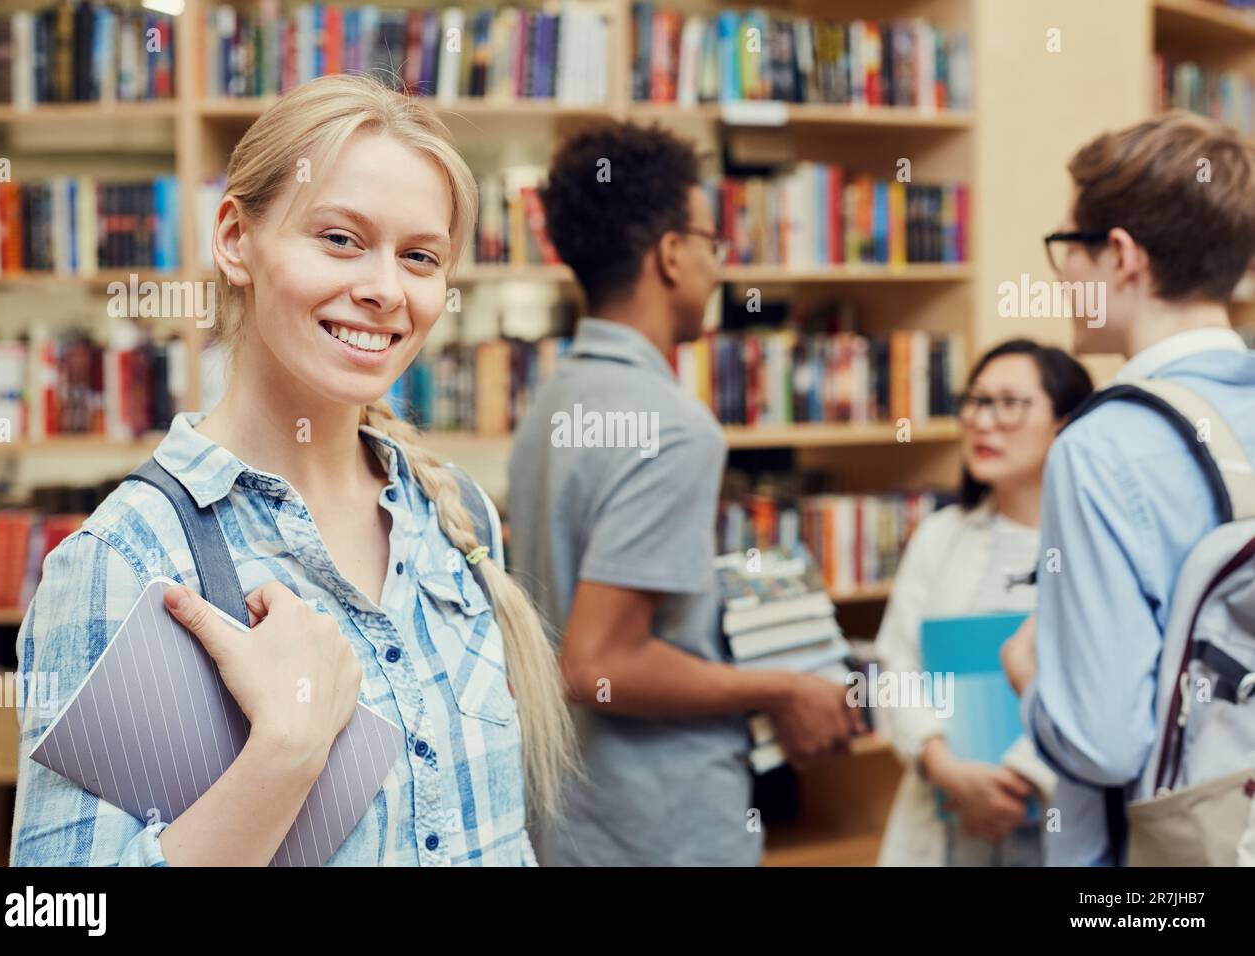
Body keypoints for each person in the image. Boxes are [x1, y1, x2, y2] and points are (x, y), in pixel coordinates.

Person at [10, 74, 573, 867]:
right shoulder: (127, 561)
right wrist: (283, 756)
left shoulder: (460, 516)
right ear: (235, 239)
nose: (385, 290)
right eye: (340, 239)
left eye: (419, 256)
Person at [506, 121, 864, 867]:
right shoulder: (673, 426)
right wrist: (783, 689)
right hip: (661, 827)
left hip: (568, 814)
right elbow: (596, 664)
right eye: (712, 241)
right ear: (671, 254)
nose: (719, 263)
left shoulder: (551, 402)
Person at [1001, 111, 1255, 866]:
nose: (1061, 278)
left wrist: (1030, 680)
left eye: (1066, 249)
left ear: (1119, 256)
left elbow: (1103, 742)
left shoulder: (1101, 445)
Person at [874, 339, 1092, 866]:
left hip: (1054, 817)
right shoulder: (939, 535)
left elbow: (1101, 682)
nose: (981, 421)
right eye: (974, 401)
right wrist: (943, 766)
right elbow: (895, 665)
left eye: (1009, 403)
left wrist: (1017, 780)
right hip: (943, 811)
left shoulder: (1093, 545)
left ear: (1064, 425)